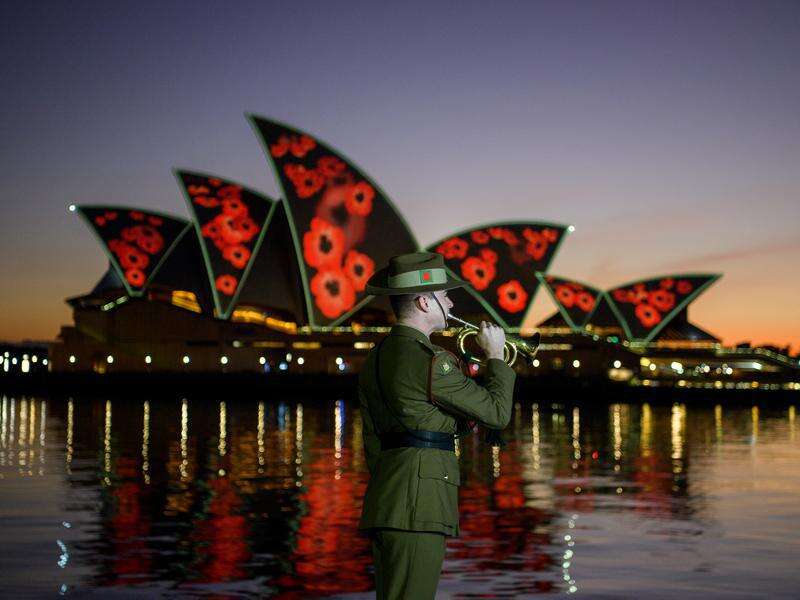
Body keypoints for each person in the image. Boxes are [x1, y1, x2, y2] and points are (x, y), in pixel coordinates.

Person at [358, 251, 517, 599]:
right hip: (419, 507)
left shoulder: (377, 357)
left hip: (388, 500)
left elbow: (372, 439)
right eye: (444, 295)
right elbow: (497, 413)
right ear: (425, 302)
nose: (451, 300)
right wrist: (495, 358)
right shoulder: (431, 360)